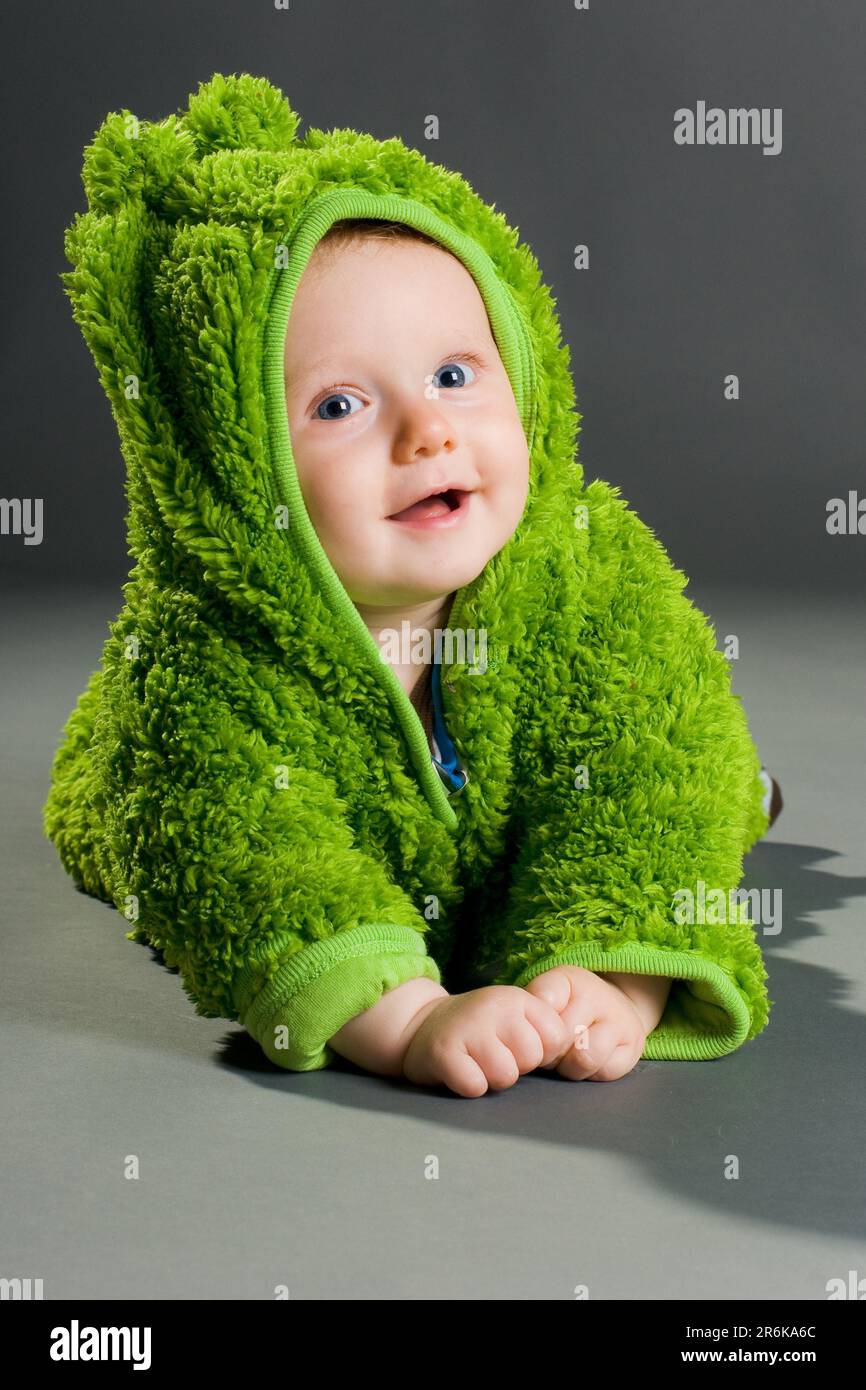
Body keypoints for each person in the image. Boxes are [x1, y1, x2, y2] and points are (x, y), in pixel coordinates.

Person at [44, 74, 783, 1097]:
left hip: (566, 806)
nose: (425, 431)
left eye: (452, 375)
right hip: (210, 792)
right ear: (233, 465)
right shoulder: (209, 670)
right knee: (139, 813)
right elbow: (250, 861)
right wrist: (408, 1016)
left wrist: (614, 974)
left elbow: (652, 772)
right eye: (341, 403)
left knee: (696, 763)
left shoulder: (588, 573)